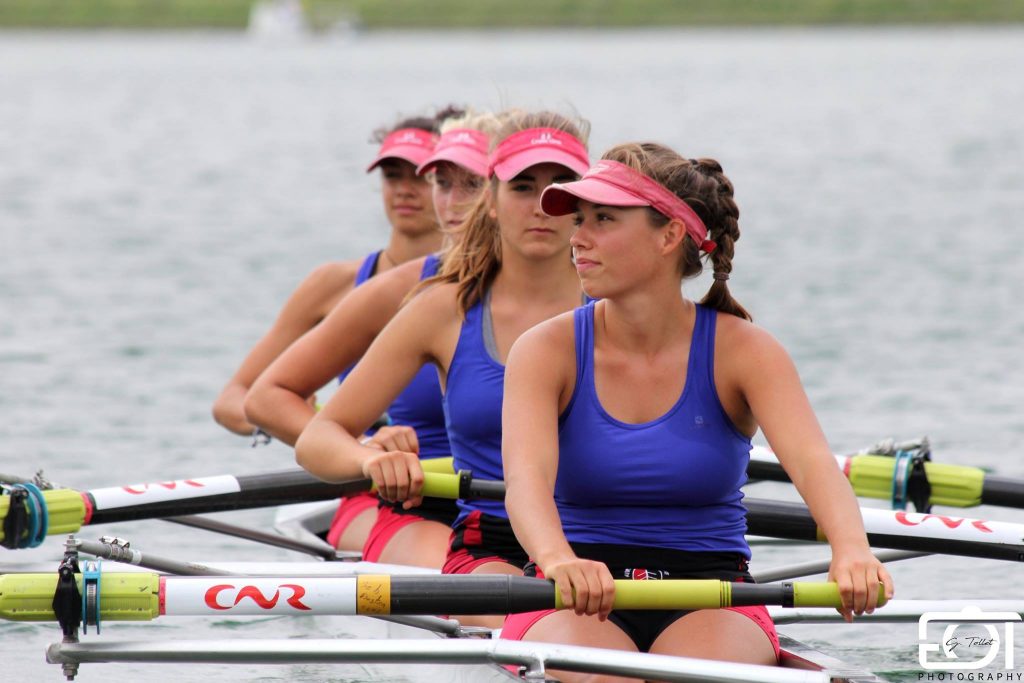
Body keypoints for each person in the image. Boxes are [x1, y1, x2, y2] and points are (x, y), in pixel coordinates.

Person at [500, 143, 894, 678]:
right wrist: (557, 559)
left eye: (603, 219)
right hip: (573, 588)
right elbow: (525, 482)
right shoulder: (544, 351)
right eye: (579, 220)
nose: (577, 238)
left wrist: (851, 550)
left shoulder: (746, 352)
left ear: (669, 236)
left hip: (711, 591)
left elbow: (813, 464)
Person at [295, 111, 591, 624]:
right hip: (480, 537)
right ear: (491, 201)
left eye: (559, 188)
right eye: (523, 187)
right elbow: (317, 439)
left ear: (585, 203)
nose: (542, 206)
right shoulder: (441, 308)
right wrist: (368, 459)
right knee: (551, 626)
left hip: (599, 541)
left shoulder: (621, 310)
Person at [244, 110, 503, 565]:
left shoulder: (580, 295)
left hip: (518, 503)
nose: (452, 201)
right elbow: (261, 397)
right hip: (411, 496)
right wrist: (361, 448)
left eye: (472, 183)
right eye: (443, 183)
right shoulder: (403, 291)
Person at [212, 112, 448, 440]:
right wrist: (315, 430)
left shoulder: (482, 284)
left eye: (421, 177)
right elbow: (232, 400)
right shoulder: (334, 284)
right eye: (392, 176)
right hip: (365, 462)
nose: (404, 190)